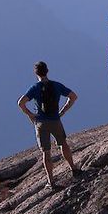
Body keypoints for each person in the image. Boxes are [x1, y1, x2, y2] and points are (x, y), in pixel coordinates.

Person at [17, 61, 80, 191]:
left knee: (46, 152)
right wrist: (62, 111)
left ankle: (51, 182)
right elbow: (73, 96)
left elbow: (21, 103)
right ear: (47, 71)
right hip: (55, 120)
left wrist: (30, 115)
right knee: (63, 144)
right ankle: (73, 168)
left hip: (41, 123)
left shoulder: (35, 88)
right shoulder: (56, 85)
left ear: (36, 73)